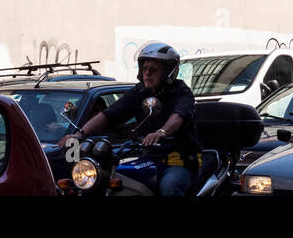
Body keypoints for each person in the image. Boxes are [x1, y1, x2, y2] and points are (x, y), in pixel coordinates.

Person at [59, 42, 199, 196]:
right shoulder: (138, 92)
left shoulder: (181, 91)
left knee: (168, 187)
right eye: (144, 68)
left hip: (179, 162)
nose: (147, 73)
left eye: (153, 70)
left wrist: (161, 132)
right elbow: (109, 115)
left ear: (167, 72)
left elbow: (178, 116)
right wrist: (79, 134)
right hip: (148, 159)